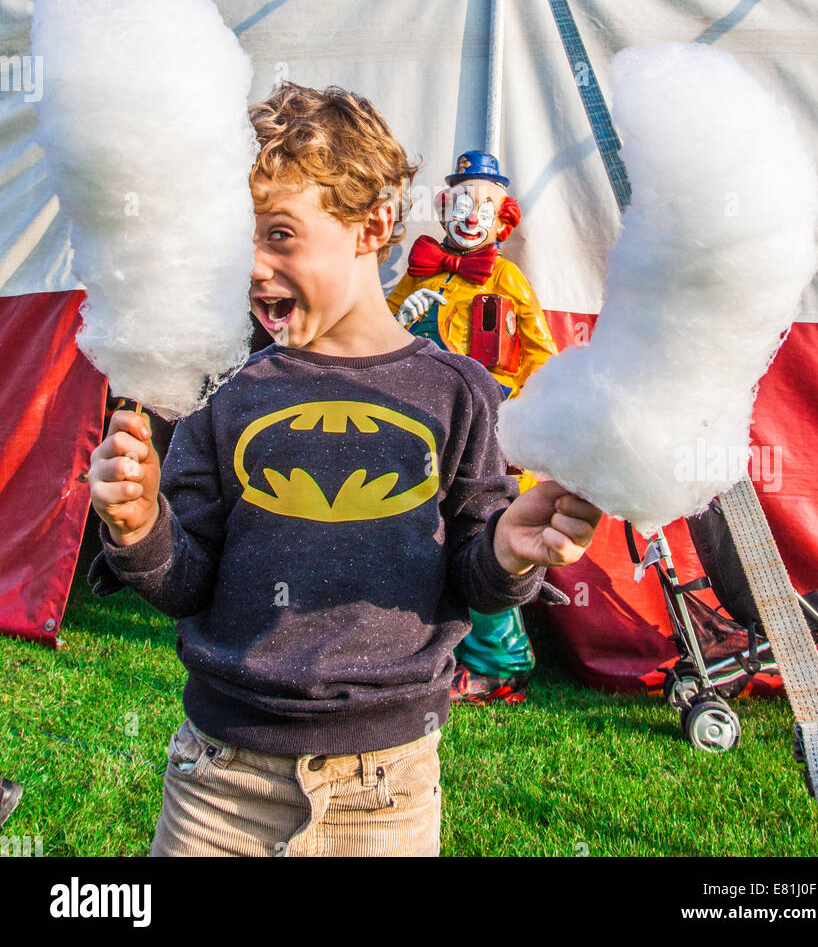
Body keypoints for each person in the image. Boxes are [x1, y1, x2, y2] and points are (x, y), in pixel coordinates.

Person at [87, 84, 600, 858]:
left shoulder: (456, 392)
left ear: (375, 226)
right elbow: (187, 584)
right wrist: (141, 527)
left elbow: (473, 577)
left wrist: (507, 550)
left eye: (282, 235)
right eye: (239, 240)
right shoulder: (220, 390)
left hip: (386, 786)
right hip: (220, 778)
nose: (255, 267)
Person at [387, 151, 559, 705]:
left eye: (483, 203)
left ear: (501, 217)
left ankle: (501, 666)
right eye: (462, 199)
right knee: (427, 539)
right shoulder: (417, 275)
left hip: (485, 434)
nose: (471, 212)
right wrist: (401, 316)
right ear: (444, 207)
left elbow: (545, 359)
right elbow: (370, 344)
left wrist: (516, 414)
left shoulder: (506, 279)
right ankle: (435, 654)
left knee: (486, 538)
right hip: (425, 433)